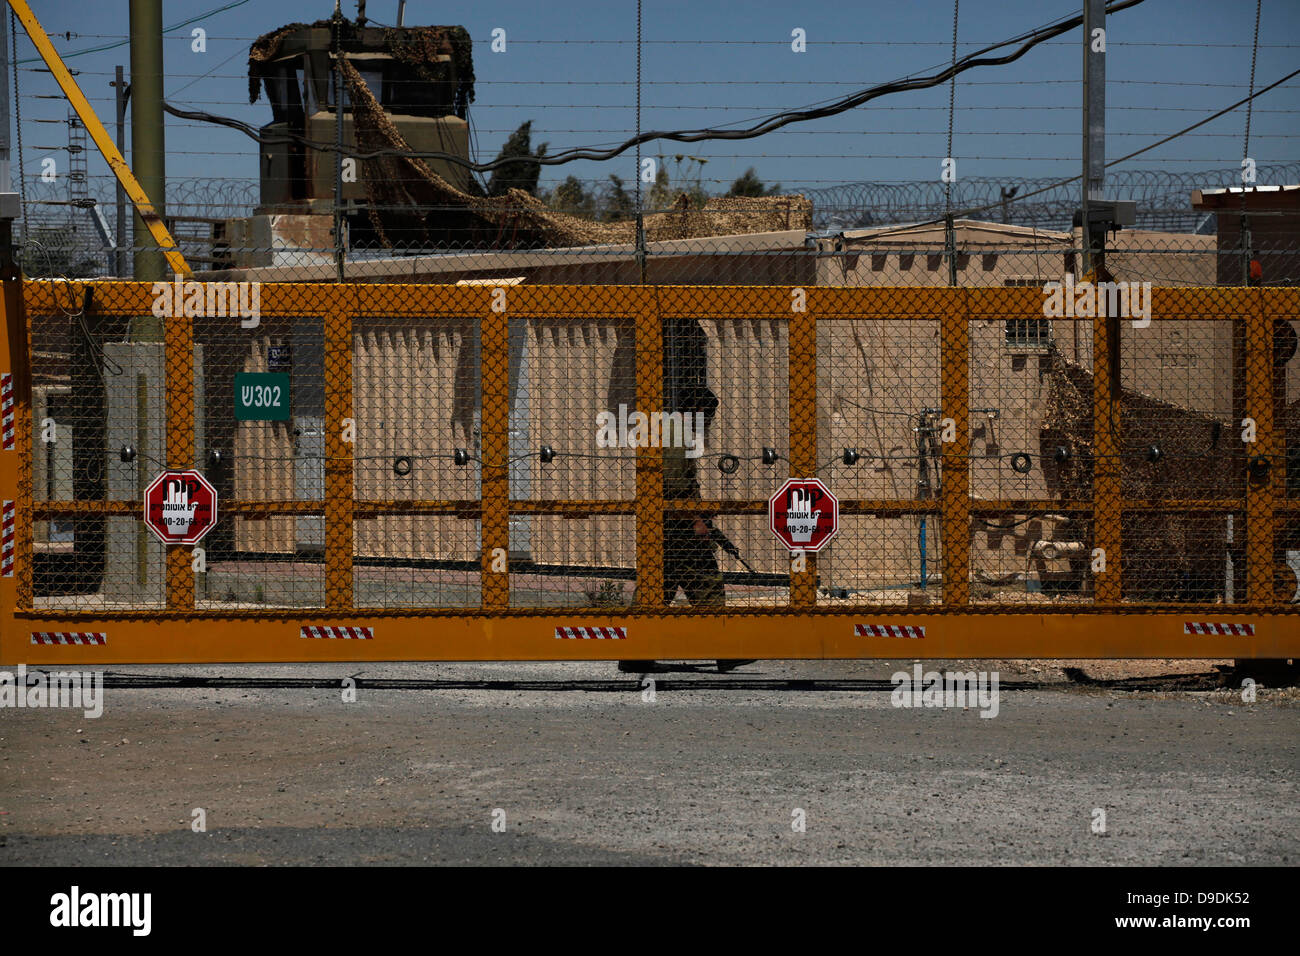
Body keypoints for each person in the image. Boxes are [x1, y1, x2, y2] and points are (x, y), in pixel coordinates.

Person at [619, 316, 754, 674]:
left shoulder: (672, 432)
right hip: (678, 527)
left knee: (655, 586)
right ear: (696, 412)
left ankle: (635, 651)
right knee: (706, 583)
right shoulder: (678, 437)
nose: (707, 423)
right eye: (706, 417)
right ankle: (723, 650)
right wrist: (697, 520)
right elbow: (675, 487)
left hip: (666, 526)